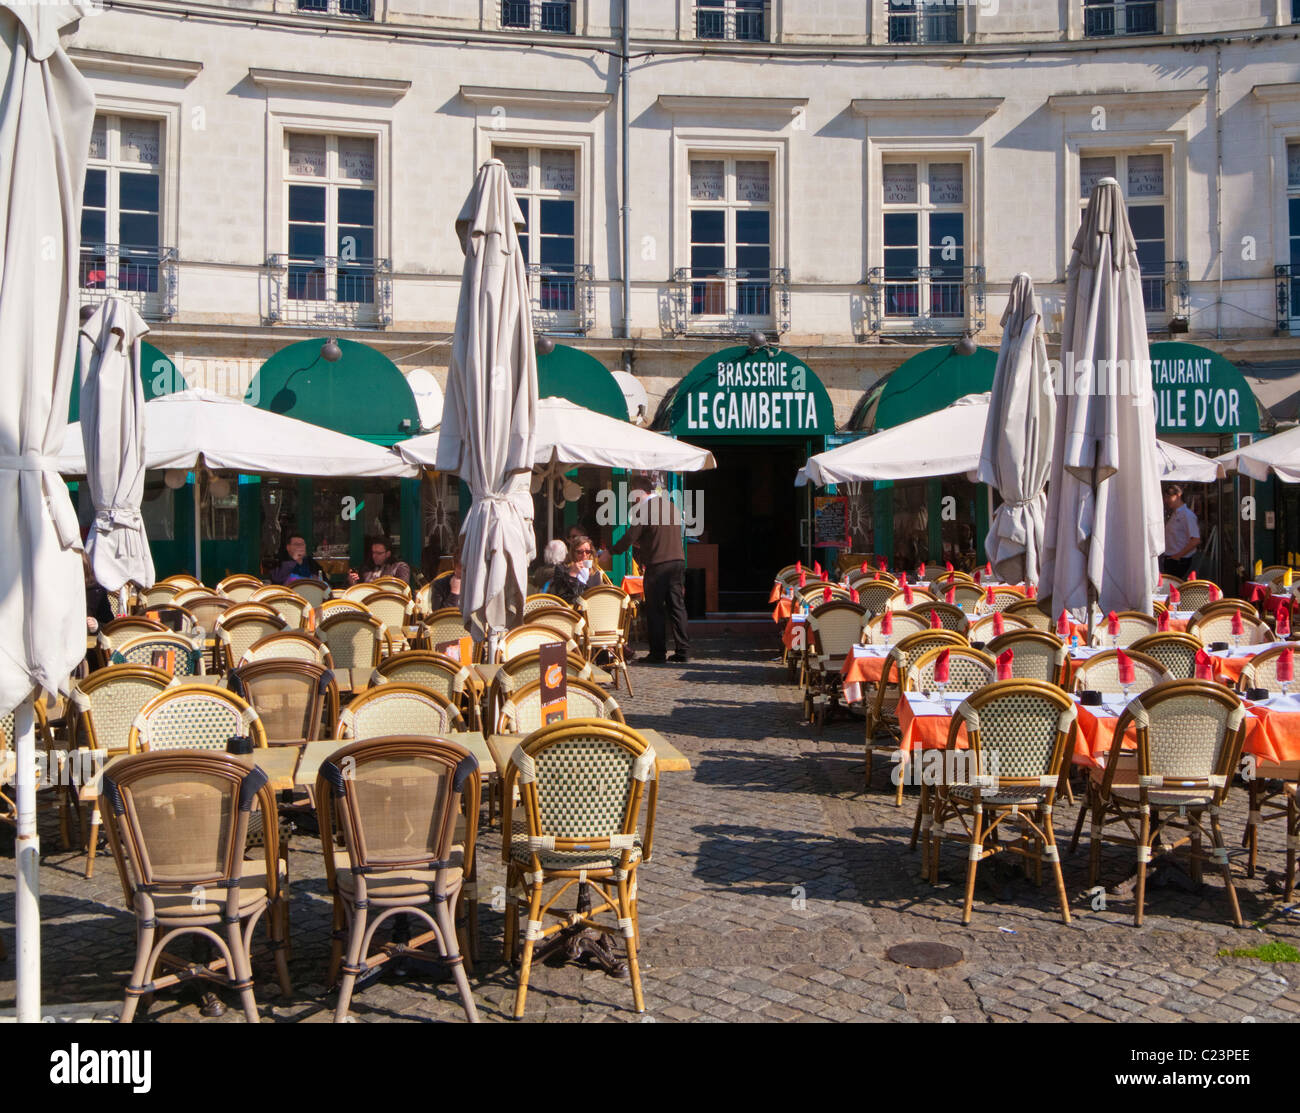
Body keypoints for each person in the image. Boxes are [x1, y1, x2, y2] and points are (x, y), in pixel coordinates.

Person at [612, 476, 690, 663]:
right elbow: (659, 535)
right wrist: (646, 544)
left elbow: (631, 536)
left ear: (639, 491)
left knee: (655, 609)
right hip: (677, 561)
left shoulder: (645, 509)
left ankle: (657, 653)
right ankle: (683, 651)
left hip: (658, 565)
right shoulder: (670, 506)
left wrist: (612, 552)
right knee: (677, 607)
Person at [1162, 484, 1200, 578]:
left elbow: (1195, 540)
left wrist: (1178, 556)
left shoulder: (1187, 515)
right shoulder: (1174, 514)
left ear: (1178, 495)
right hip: (1170, 557)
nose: (1166, 500)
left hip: (1179, 560)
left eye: (1169, 496)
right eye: (1165, 497)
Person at [551, 534, 599, 605]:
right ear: (573, 553)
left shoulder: (594, 572)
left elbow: (597, 596)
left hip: (589, 610)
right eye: (580, 552)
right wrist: (572, 575)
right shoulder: (561, 569)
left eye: (587, 552)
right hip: (569, 611)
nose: (584, 555)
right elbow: (563, 596)